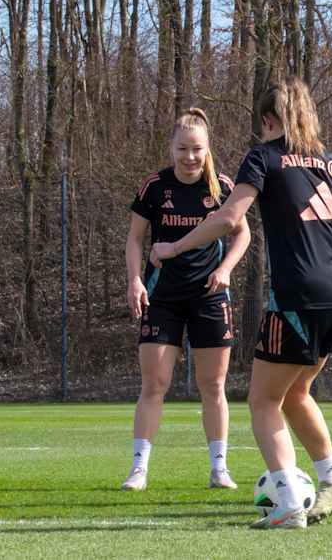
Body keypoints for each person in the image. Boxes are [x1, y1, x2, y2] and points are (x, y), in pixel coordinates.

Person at [149, 77, 332, 529]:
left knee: (263, 400)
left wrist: (173, 248)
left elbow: (230, 217)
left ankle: (287, 500)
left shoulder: (263, 157)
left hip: (297, 298)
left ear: (268, 120)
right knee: (295, 393)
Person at [122, 108, 250, 492]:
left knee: (213, 386)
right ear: (171, 148)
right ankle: (139, 469)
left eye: (197, 149)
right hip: (163, 297)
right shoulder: (155, 188)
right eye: (182, 149)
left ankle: (219, 469)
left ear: (208, 149)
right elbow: (134, 238)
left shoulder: (222, 187)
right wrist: (135, 280)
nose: (190, 157)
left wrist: (226, 268)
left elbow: (242, 234)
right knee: (154, 384)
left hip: (210, 296)